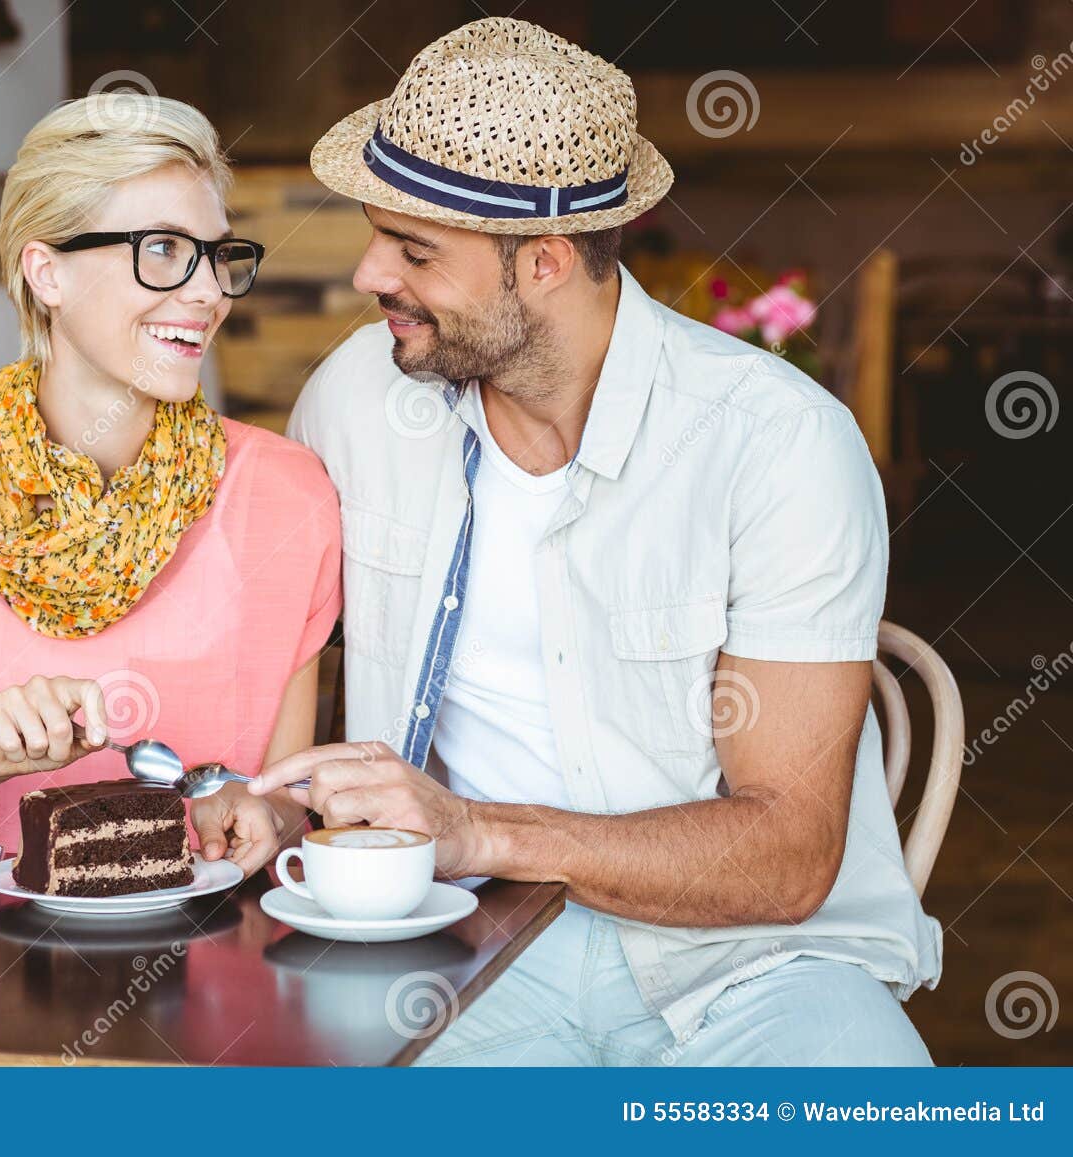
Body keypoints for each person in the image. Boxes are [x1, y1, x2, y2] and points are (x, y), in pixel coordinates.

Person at [253, 18, 941, 1065]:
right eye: (374, 232)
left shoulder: (777, 443)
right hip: (458, 950)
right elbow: (263, 638)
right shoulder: (358, 398)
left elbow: (788, 856)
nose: (367, 276)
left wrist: (476, 828)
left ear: (543, 261)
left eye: (414, 250)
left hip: (752, 969)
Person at [0, 94, 339, 873]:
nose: (207, 293)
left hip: (209, 964)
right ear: (46, 271)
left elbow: (291, 796)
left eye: (217, 255)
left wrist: (263, 810)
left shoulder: (290, 497)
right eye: (162, 248)